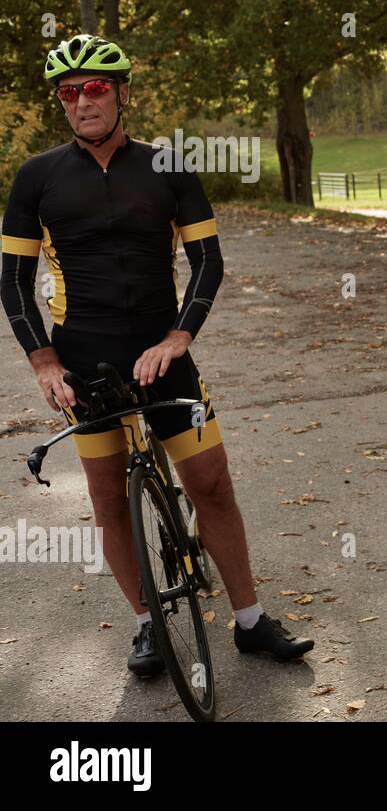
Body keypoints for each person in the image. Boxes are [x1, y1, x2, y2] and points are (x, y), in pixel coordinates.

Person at [1, 34, 312, 676]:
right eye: (68, 92)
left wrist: (179, 338)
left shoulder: (168, 165)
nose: (82, 102)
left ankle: (250, 621)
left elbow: (207, 259)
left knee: (212, 483)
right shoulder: (37, 177)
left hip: (165, 358)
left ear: (119, 94)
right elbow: (11, 280)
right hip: (83, 365)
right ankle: (147, 625)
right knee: (109, 497)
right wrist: (44, 363)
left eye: (93, 89)